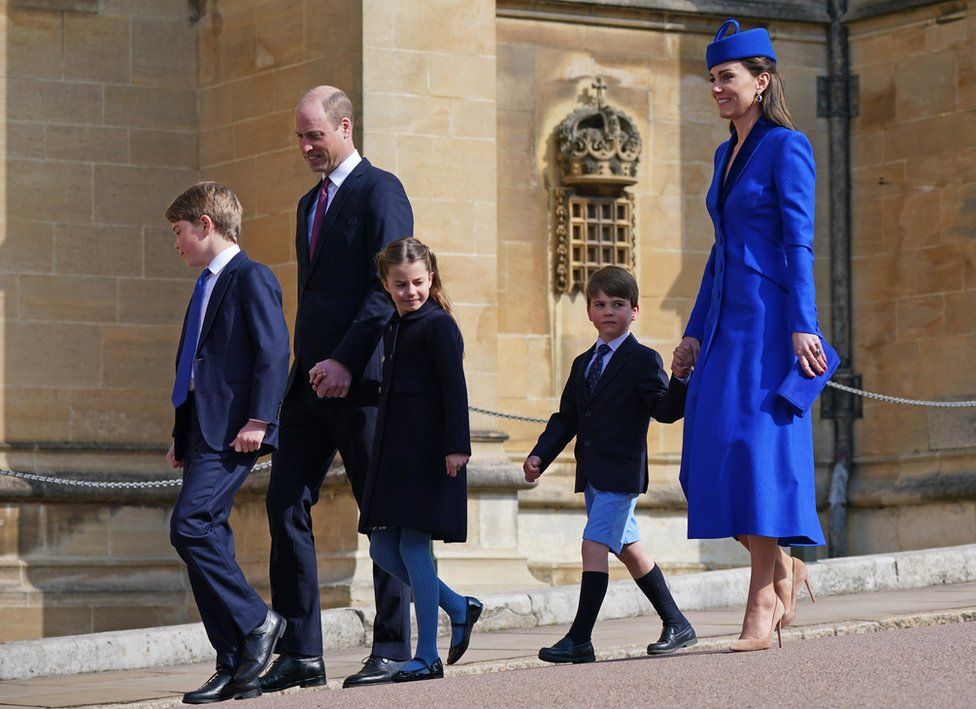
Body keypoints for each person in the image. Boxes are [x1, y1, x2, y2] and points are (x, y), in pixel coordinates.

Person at [671, 18, 826, 653]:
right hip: (724, 325)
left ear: (760, 81)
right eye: (712, 78)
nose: (717, 88)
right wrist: (692, 333)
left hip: (770, 324)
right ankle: (786, 564)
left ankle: (761, 599)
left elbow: (799, 244)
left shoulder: (787, 147)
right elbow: (719, 252)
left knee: (757, 456)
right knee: (707, 459)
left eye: (727, 77)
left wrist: (803, 325)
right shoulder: (722, 153)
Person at [261, 86, 415, 693]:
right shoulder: (306, 205)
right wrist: (307, 369)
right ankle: (302, 653)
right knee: (283, 503)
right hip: (309, 385)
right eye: (299, 137)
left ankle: (394, 648)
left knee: (380, 514)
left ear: (344, 127)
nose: (305, 147)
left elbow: (388, 287)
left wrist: (348, 361)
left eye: (314, 135)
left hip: (365, 380)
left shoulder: (382, 190)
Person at [524, 266, 694, 664]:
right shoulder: (583, 363)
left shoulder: (642, 359)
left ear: (634, 311)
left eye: (618, 305)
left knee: (593, 546)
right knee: (629, 549)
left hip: (621, 475)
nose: (608, 312)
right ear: (588, 311)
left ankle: (579, 639)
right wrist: (539, 455)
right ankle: (677, 623)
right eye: (600, 304)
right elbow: (566, 418)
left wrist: (680, 378)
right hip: (593, 475)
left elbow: (665, 411)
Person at [165, 182, 291, 703]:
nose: (177, 243)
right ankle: (234, 660)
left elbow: (273, 351)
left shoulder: (250, 276)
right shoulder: (204, 285)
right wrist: (180, 434)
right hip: (203, 430)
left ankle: (259, 621)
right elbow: (194, 365)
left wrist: (261, 419)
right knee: (207, 535)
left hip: (236, 431)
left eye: (179, 232)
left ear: (206, 225)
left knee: (187, 525)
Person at [334, 238, 482, 682]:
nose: (410, 291)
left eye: (418, 282)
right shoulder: (394, 328)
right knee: (382, 547)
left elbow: (455, 390)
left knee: (415, 546)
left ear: (430, 278)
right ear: (386, 284)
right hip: (395, 455)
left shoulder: (439, 326)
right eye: (400, 285)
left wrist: (458, 446)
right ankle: (458, 606)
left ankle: (426, 655)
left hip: (431, 454)